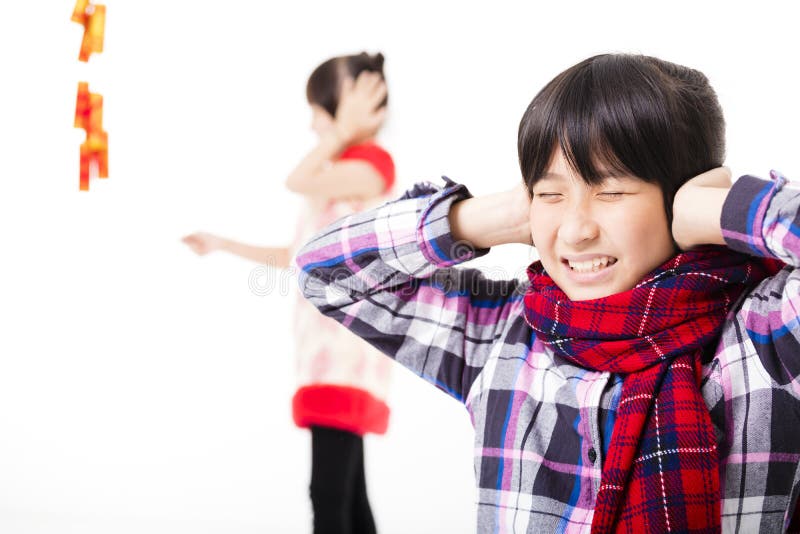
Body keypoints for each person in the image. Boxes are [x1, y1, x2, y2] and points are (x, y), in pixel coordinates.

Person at [295, 54, 800, 533]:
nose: (575, 230)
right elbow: (325, 273)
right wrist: (482, 218)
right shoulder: (504, 335)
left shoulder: (763, 338)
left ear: (682, 198)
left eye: (612, 191)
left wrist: (722, 212)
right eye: (550, 193)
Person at [183, 52, 395, 534]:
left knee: (329, 495)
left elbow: (295, 179)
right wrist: (223, 244)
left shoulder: (369, 167)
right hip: (324, 354)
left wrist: (344, 130)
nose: (313, 121)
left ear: (353, 107)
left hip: (345, 355)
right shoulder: (335, 178)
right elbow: (296, 254)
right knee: (349, 495)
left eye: (321, 107)